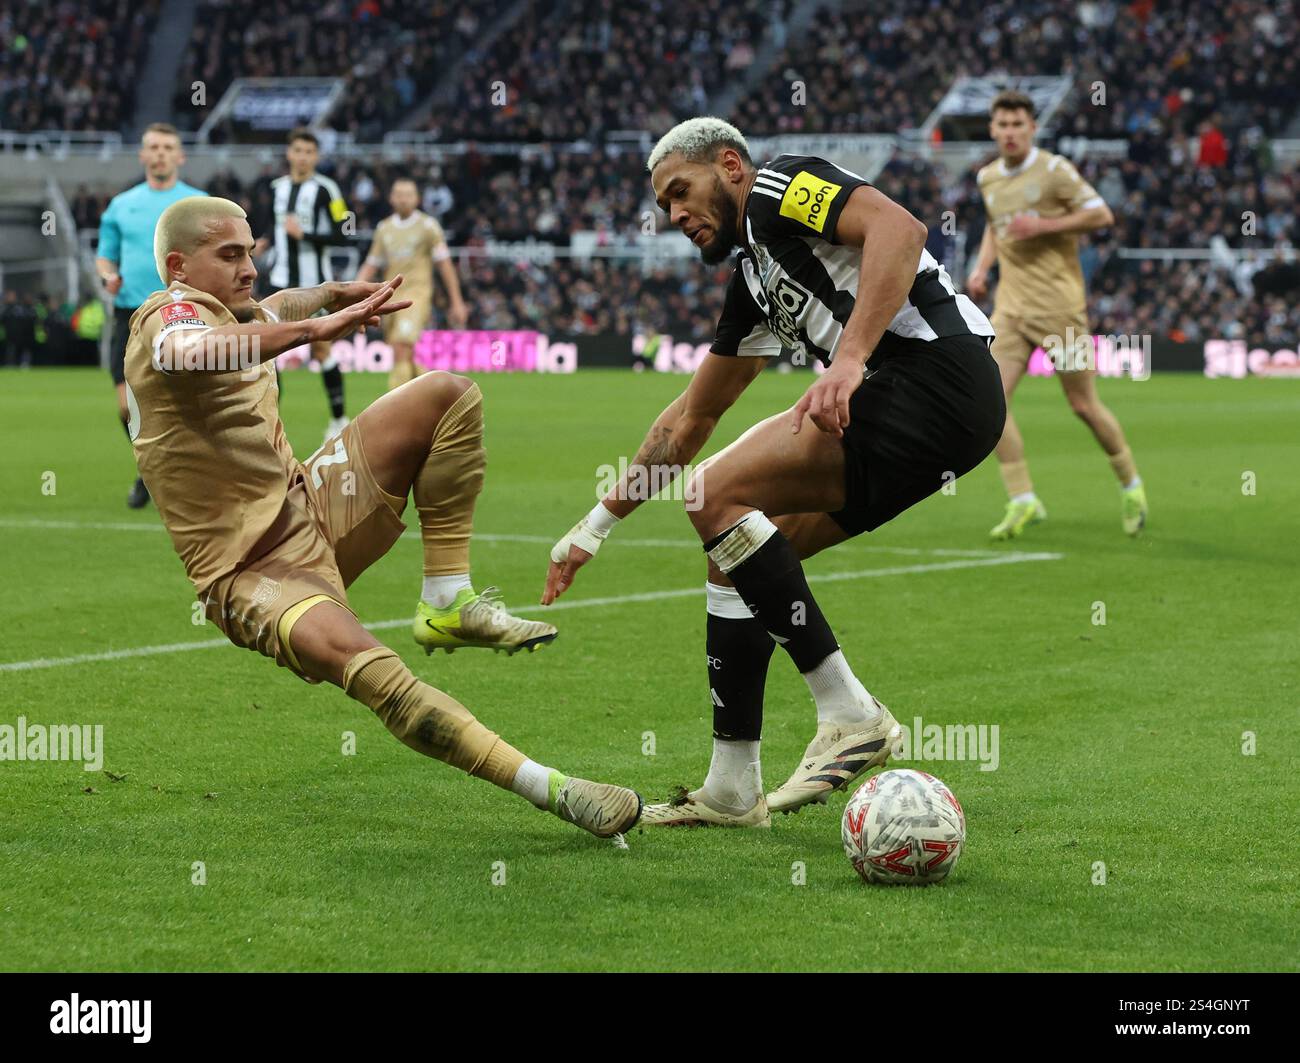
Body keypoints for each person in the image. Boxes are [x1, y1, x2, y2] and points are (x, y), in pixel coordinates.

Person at [125, 196, 637, 840]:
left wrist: (335, 294)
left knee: (445, 394)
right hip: (251, 573)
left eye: (251, 251)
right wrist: (315, 331)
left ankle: (447, 598)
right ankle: (555, 789)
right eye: (230, 255)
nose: (250, 267)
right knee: (377, 675)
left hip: (309, 507)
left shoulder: (240, 310)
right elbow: (188, 350)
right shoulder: (165, 318)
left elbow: (284, 302)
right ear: (179, 266)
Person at [544, 118, 1004, 827]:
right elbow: (688, 421)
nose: (674, 216)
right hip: (926, 415)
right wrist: (595, 526)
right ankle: (732, 787)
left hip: (936, 375)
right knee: (740, 552)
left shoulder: (775, 187)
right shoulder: (754, 279)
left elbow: (900, 229)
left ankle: (850, 713)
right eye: (664, 206)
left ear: (729, 165)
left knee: (714, 493)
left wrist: (849, 360)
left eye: (681, 192)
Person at [966, 90, 1146, 539]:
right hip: (1010, 307)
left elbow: (1101, 214)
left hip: (1059, 309)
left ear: (1032, 128)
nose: (1009, 133)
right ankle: (1023, 499)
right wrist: (981, 267)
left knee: (1082, 405)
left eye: (1018, 125)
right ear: (992, 129)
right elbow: (995, 223)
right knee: (991, 404)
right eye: (1002, 125)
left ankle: (1131, 485)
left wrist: (1042, 226)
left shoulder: (1055, 172)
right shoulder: (988, 177)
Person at [94, 122, 205, 508]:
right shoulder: (122, 205)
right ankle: (149, 469)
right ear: (142, 155)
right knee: (127, 405)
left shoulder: (197, 204)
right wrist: (108, 275)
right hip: (129, 313)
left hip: (181, 312)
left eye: (167, 147)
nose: (159, 153)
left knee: (188, 404)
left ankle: (190, 475)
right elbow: (105, 255)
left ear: (180, 156)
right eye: (153, 147)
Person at [252, 128, 352, 441]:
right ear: (289, 154)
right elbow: (272, 223)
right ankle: (269, 424)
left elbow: (344, 232)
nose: (303, 157)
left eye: (309, 152)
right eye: (298, 150)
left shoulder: (327, 189)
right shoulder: (277, 187)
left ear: (316, 157)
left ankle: (339, 421)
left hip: (314, 286)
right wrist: (265, 240)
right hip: (280, 284)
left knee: (321, 351)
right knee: (270, 353)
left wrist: (305, 236)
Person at [356, 177, 467, 391]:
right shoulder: (384, 229)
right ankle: (429, 399)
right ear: (391, 198)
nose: (403, 199)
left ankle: (395, 410)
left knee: (402, 346)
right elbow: (370, 265)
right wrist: (349, 294)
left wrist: (457, 301)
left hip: (416, 296)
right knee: (406, 354)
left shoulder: (428, 226)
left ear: (417, 199)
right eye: (399, 194)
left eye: (408, 195)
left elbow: (445, 265)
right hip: (388, 297)